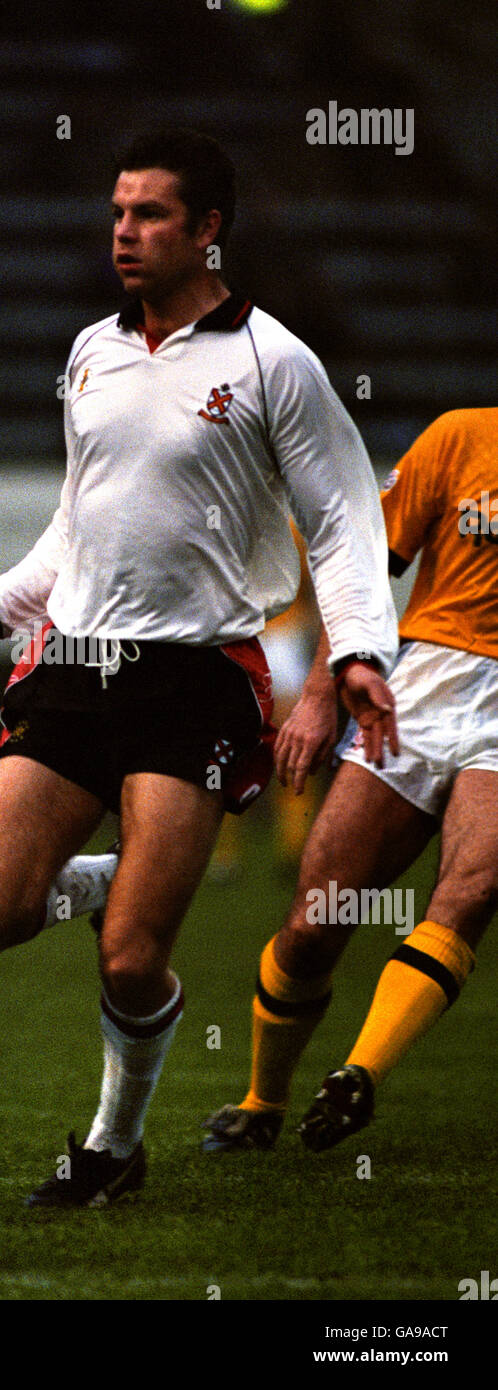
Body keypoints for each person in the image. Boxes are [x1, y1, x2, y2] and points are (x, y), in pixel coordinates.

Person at [0, 126, 398, 1207]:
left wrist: (354, 655)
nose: (122, 233)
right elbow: (74, 527)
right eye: (116, 213)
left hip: (196, 680)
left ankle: (110, 1147)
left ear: (207, 229)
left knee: (133, 960)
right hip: (70, 666)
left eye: (147, 215)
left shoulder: (275, 361)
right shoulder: (89, 351)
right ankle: (107, 880)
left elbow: (342, 524)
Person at [203, 408, 498, 1155]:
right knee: (313, 923)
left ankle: (358, 1075)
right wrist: (322, 694)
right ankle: (262, 1098)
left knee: (465, 893)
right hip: (423, 684)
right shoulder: (460, 436)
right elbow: (368, 568)